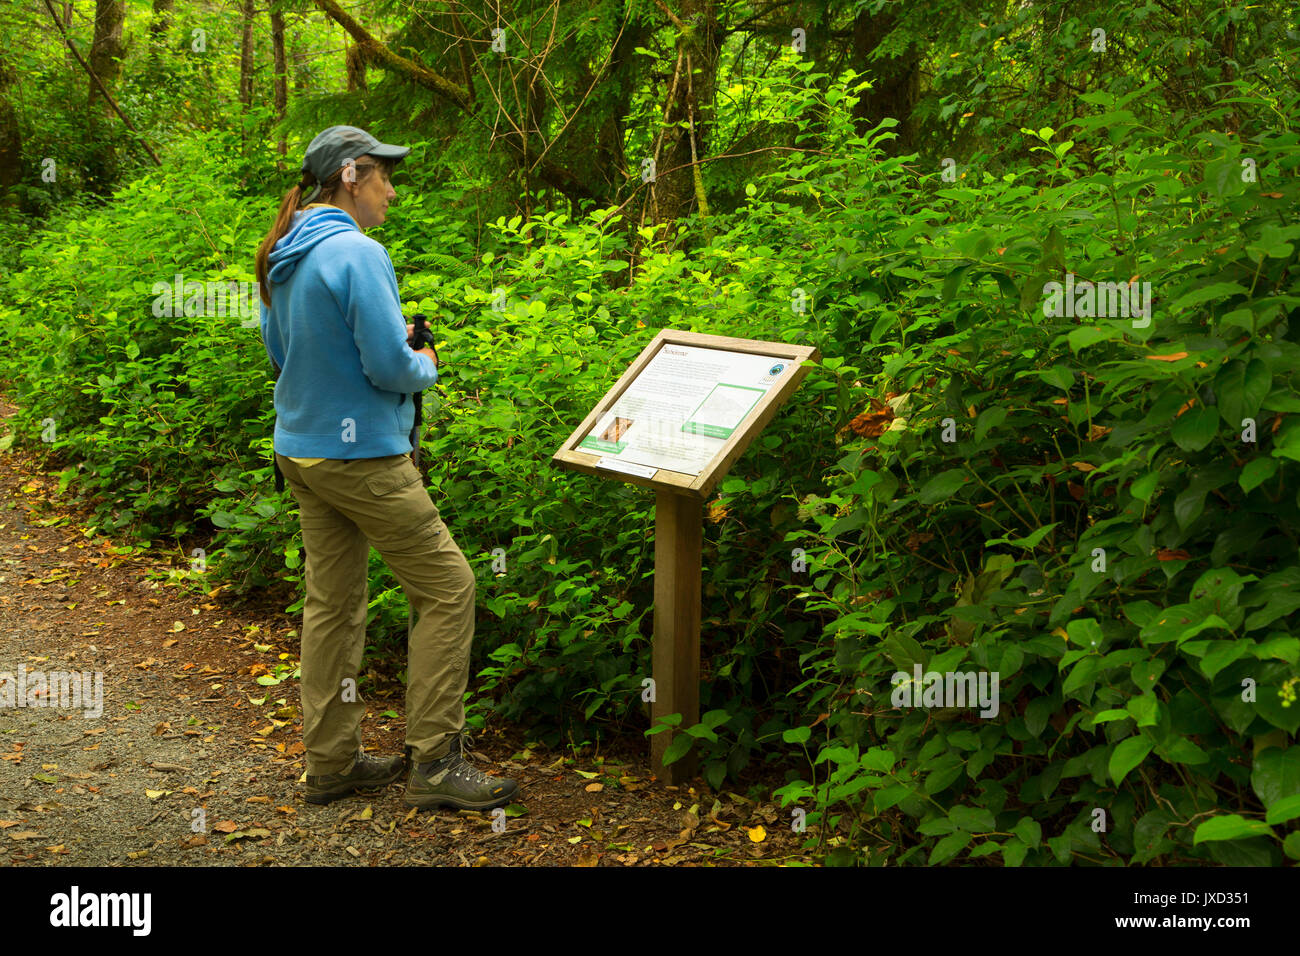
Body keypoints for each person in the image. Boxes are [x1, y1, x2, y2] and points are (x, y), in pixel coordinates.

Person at [255, 125, 517, 811]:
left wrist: (376, 353)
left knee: (332, 605)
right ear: (351, 176)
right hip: (363, 458)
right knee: (450, 587)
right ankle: (435, 760)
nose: (391, 192)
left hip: (302, 451)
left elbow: (284, 355)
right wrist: (423, 362)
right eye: (384, 178)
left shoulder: (282, 250)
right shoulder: (358, 252)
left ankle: (330, 764)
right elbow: (389, 367)